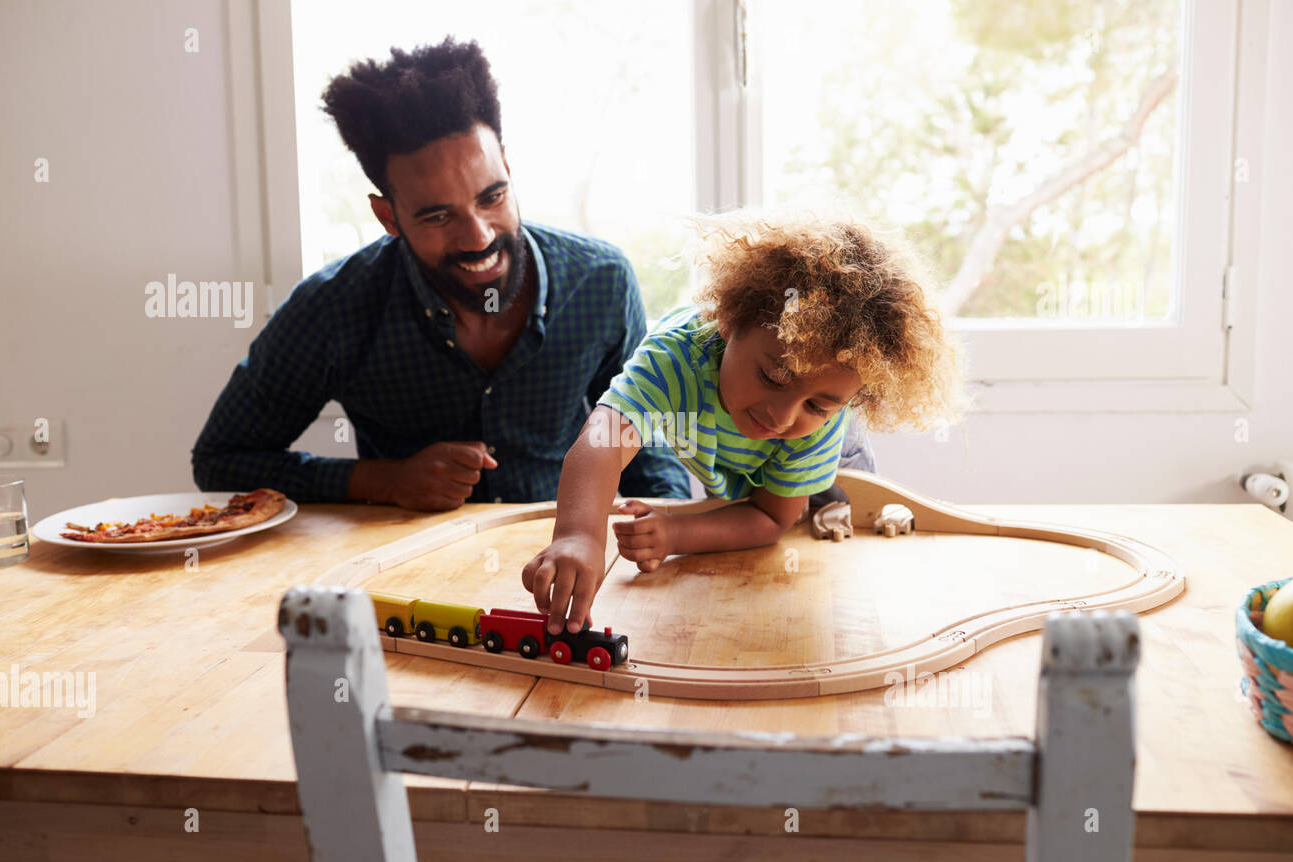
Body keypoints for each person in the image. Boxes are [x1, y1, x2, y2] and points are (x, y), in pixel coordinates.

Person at [191, 39, 691, 508]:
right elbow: (221, 461)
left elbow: (646, 454)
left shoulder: (600, 281)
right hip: (406, 585)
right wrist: (383, 481)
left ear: (509, 172)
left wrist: (669, 537)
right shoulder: (331, 309)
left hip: (559, 572)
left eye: (491, 197)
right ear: (388, 218)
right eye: (437, 216)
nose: (478, 237)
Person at [523, 215, 972, 635]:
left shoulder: (820, 425)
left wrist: (675, 532)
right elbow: (603, 437)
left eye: (817, 403)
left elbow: (770, 518)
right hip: (738, 466)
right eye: (773, 377)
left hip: (832, 474)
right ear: (728, 320)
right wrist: (579, 535)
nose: (781, 415)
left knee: (831, 556)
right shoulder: (674, 359)